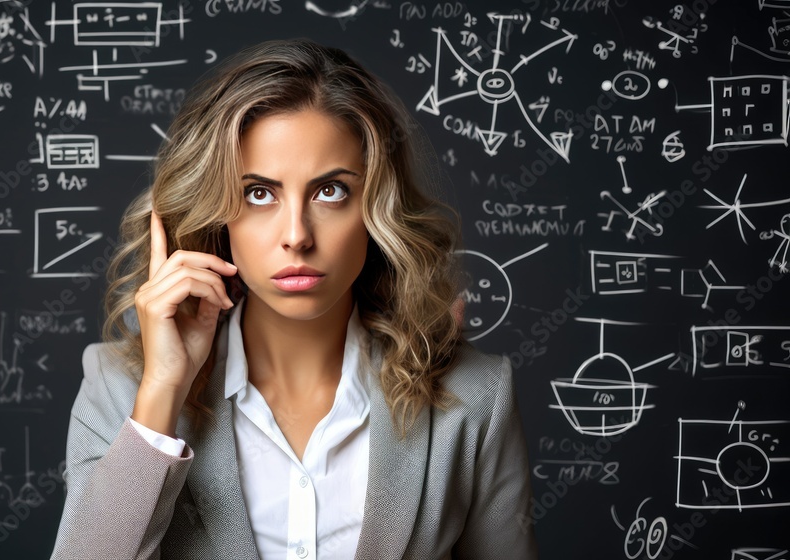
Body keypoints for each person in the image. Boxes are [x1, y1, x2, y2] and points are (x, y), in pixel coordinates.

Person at [50, 38, 537, 560]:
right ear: (217, 212)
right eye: (259, 193)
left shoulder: (474, 397)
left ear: (376, 210)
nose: (297, 235)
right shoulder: (120, 389)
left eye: (331, 191)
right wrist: (164, 394)